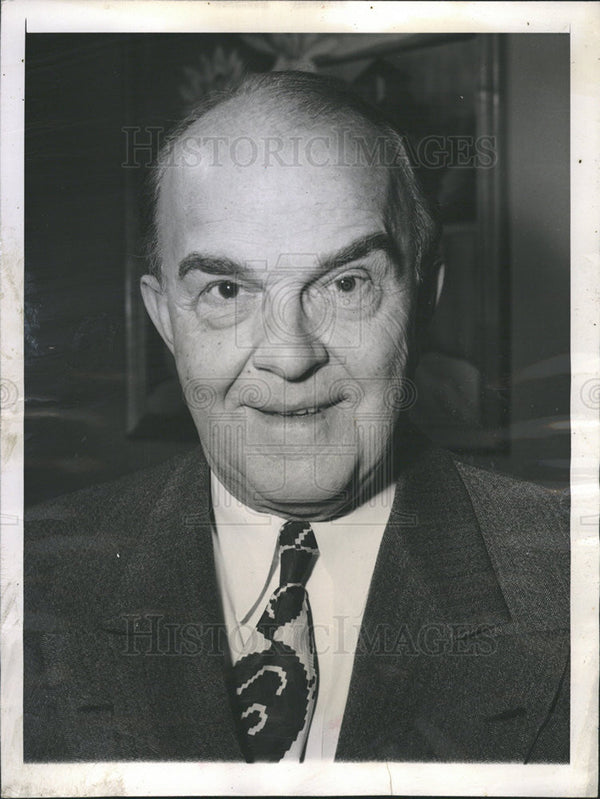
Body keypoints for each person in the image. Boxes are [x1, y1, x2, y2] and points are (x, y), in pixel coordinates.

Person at [24, 71, 569, 763]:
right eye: (226, 288)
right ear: (165, 318)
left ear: (424, 296)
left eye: (344, 283)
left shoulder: (574, 585)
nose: (289, 354)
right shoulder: (29, 581)